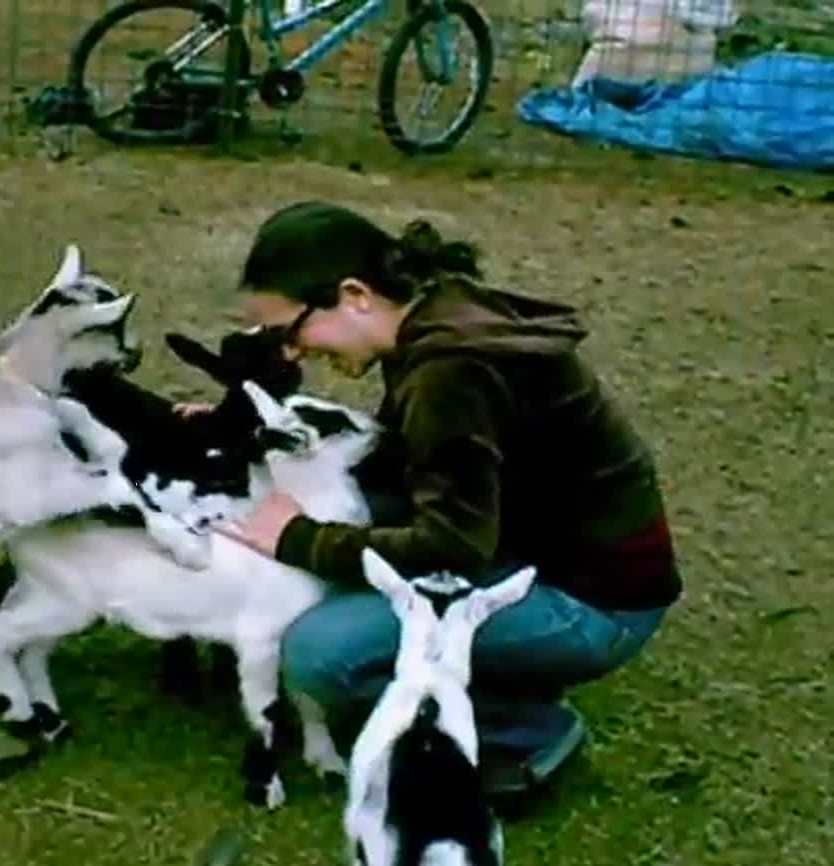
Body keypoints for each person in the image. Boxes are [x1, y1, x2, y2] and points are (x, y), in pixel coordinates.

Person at [209, 200, 683, 798]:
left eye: (290, 332)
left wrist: (299, 539)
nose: (292, 355)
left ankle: (524, 730)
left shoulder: (449, 372)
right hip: (553, 555)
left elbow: (452, 543)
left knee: (321, 652)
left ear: (355, 294)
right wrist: (239, 435)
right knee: (359, 518)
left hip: (594, 603)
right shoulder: (434, 316)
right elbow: (398, 465)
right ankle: (502, 679)